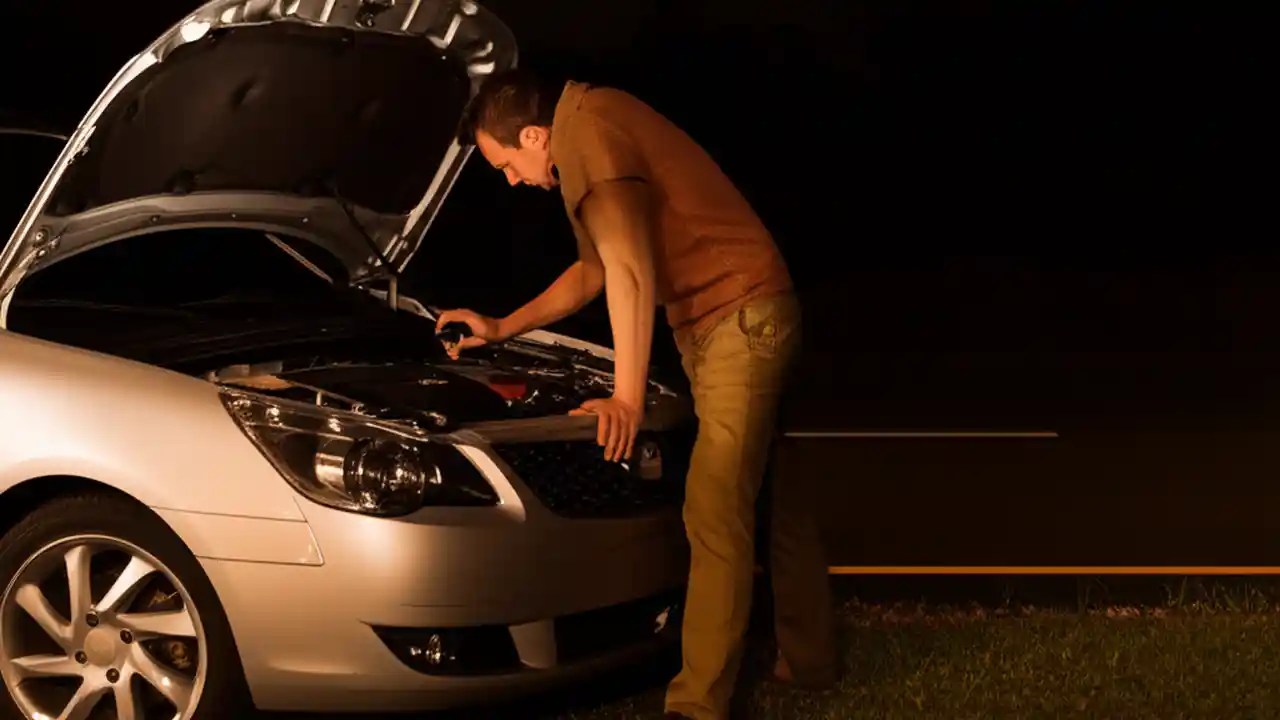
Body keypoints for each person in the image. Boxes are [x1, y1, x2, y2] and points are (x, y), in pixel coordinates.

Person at [435, 68, 837, 720]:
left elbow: (628, 269)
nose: (512, 181)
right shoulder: (589, 129)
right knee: (772, 494)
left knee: (712, 508)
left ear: (535, 135)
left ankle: (696, 707)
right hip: (736, 317)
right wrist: (503, 325)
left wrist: (625, 399)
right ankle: (811, 659)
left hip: (741, 317)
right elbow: (595, 270)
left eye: (507, 164)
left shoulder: (588, 131)